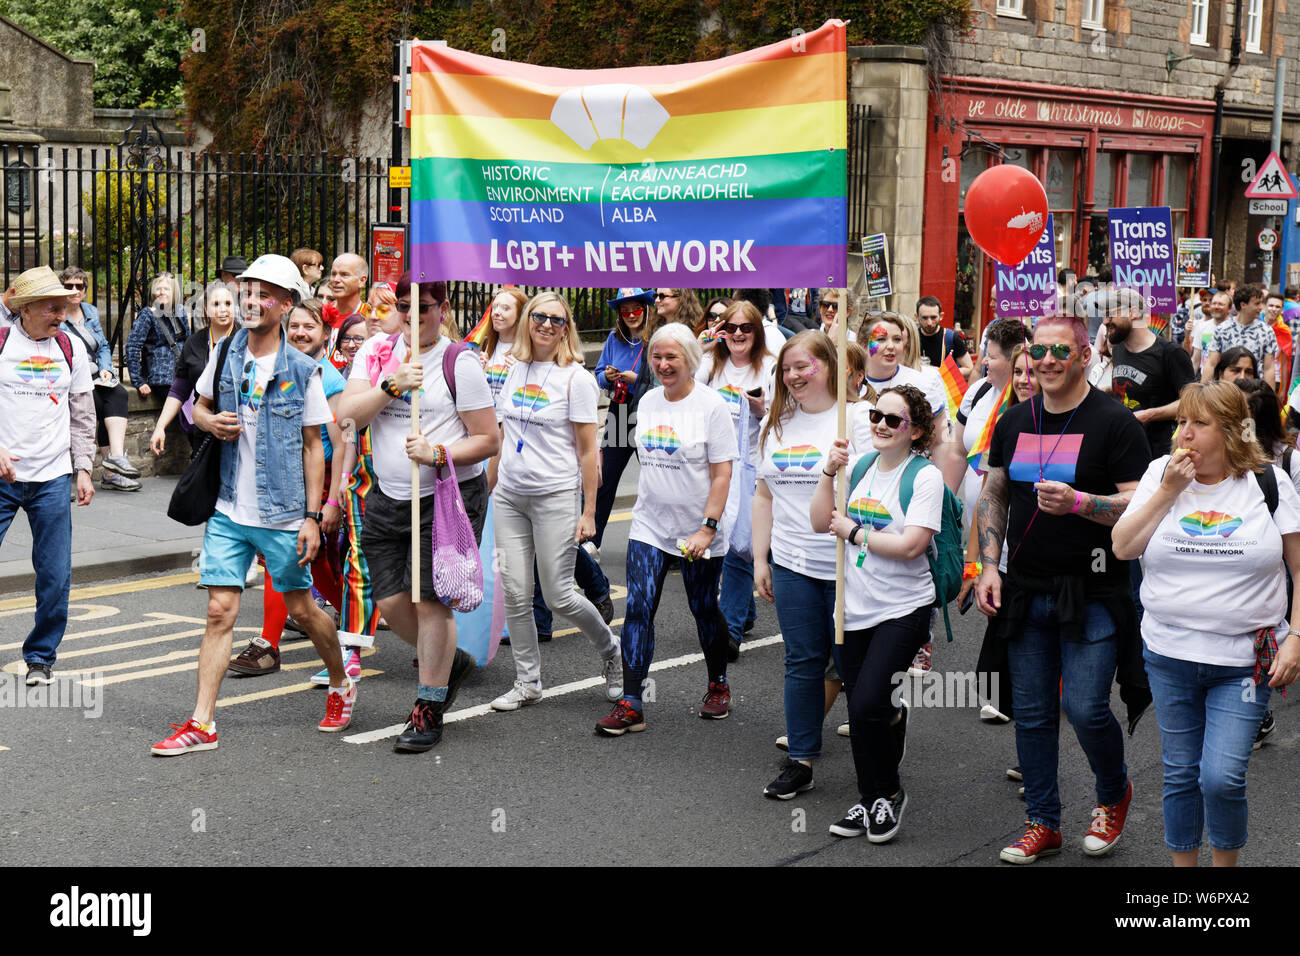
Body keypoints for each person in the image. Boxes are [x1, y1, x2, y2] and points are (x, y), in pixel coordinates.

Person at [151, 255, 353, 756]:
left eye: (265, 294)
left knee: (304, 611)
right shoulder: (223, 353)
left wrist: (311, 516)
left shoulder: (302, 369)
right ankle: (203, 723)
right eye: (248, 292)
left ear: (284, 304)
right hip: (228, 507)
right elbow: (197, 404)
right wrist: (207, 422)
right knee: (220, 610)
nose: (252, 301)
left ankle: (339, 680)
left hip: (283, 514)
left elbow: (312, 446)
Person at [975, 313, 1150, 864]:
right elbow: (994, 494)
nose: (1047, 361)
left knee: (1083, 705)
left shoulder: (1113, 421)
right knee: (1030, 712)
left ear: (1083, 355)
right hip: (1026, 587)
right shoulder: (1014, 419)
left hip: (1094, 590)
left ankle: (1112, 792)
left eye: (1060, 351)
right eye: (1039, 351)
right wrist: (988, 565)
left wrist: (1080, 502)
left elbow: (1140, 503)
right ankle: (1042, 822)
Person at [1112, 381, 1300, 866]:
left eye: (1199, 424)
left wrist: (1296, 637)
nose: (1184, 435)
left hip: (1243, 659)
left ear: (1234, 431)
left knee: (1220, 777)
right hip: (1169, 653)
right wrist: (1168, 492)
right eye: (1180, 423)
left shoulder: (1268, 482)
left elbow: (1299, 568)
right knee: (1180, 773)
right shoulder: (1161, 473)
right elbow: (1123, 547)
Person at [336, 274, 498, 752]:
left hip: (446, 496)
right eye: (405, 306)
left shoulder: (458, 363)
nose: (413, 315)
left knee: (431, 602)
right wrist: (391, 384)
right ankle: (454, 663)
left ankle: (428, 706)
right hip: (387, 495)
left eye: (423, 307)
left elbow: (488, 439)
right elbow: (347, 418)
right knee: (389, 604)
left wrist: (439, 452)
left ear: (442, 310)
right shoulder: (376, 353)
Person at [811, 385, 943, 842]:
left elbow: (912, 545)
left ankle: (887, 794)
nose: (880, 426)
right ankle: (869, 799)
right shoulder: (861, 466)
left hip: (902, 608)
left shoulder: (924, 477)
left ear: (918, 430)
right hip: (851, 609)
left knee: (866, 705)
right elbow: (818, 521)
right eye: (875, 416)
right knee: (864, 706)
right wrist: (828, 473)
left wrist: (855, 533)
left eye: (893, 420)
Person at [596, 322, 737, 735]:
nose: (662, 364)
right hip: (650, 526)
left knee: (703, 609)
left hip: (698, 530)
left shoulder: (711, 407)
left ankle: (718, 684)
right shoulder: (649, 401)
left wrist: (707, 528)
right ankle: (632, 700)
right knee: (638, 608)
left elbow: (723, 474)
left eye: (671, 357)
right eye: (656, 357)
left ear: (690, 359)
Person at [486, 291, 622, 715]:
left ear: (567, 329)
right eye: (540, 317)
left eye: (557, 320)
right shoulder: (514, 368)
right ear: (528, 321)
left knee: (561, 594)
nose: (546, 325)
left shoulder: (576, 378)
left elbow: (587, 451)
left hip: (555, 496)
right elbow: (503, 434)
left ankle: (612, 651)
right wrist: (488, 490)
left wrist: (588, 512)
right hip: (510, 495)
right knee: (515, 592)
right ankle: (528, 682)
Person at [755, 330, 859, 796]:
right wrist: (761, 557)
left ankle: (880, 752)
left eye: (804, 366)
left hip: (851, 565)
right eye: (786, 369)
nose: (793, 376)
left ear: (829, 366)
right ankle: (801, 759)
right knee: (802, 660)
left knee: (857, 664)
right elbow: (762, 495)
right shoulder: (775, 423)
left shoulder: (855, 419)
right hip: (793, 562)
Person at [229, 297, 354, 680]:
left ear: (326, 333)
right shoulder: (276, 367)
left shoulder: (328, 378)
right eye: (295, 325)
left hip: (316, 480)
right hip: (282, 479)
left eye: (309, 327)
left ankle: (270, 645)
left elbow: (339, 442)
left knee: (295, 561)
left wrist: (331, 501)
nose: (300, 333)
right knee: (303, 566)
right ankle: (357, 618)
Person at [0, 266, 95, 686]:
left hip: (52, 478)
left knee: (55, 575)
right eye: (52, 307)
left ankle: (40, 657)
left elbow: (82, 414)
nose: (61, 313)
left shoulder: (72, 348)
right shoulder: (2, 342)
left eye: (64, 306)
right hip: (3, 475)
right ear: (26, 307)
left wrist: (85, 467)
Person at [696, 299, 774, 660]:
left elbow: (787, 414)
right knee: (717, 544)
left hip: (751, 467)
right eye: (731, 327)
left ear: (757, 332)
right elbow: (687, 399)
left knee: (740, 547)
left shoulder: (770, 368)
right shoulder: (711, 364)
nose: (739, 334)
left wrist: (763, 410)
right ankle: (744, 611)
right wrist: (702, 349)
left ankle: (728, 631)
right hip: (712, 466)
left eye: (747, 328)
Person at [57, 267, 140, 492]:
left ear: (85, 290)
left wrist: (107, 370)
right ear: (61, 288)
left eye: (79, 286)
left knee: (119, 393)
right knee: (96, 400)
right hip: (74, 375)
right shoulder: (57, 314)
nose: (75, 290)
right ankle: (112, 471)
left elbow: (103, 345)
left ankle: (115, 461)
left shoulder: (90, 311)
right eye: (69, 286)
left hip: (96, 373)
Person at [592, 288, 656, 552]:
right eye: (625, 311)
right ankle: (591, 543)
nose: (631, 315)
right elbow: (597, 374)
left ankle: (664, 545)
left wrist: (635, 379)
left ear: (646, 309)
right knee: (604, 478)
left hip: (648, 414)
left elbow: (663, 379)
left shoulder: (657, 339)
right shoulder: (613, 339)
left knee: (657, 478)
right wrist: (608, 375)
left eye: (636, 309)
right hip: (619, 412)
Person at [1105, 287, 1196, 458]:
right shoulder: (1117, 350)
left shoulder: (1170, 353)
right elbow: (1131, 386)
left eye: (1110, 315)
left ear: (1132, 313)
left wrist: (1149, 415)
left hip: (1158, 452)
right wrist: (1103, 392)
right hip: (1123, 445)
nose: (1104, 321)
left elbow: (1192, 402)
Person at [149, 281, 237, 457]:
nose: (223, 309)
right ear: (206, 309)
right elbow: (180, 389)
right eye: (216, 304)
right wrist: (160, 426)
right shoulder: (194, 342)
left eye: (228, 303)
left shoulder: (245, 340)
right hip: (203, 427)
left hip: (236, 427)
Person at [126, 273, 189, 398]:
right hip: (160, 378)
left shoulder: (180, 311)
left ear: (174, 292)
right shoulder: (147, 314)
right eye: (158, 289)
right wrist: (138, 381)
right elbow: (132, 347)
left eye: (166, 289)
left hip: (182, 374)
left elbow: (188, 343)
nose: (161, 292)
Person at [1202, 284, 1275, 384]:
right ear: (1243, 305)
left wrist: (1270, 398)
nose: (1261, 307)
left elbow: (1269, 369)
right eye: (1257, 304)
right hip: (1227, 390)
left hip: (1253, 391)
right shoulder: (1222, 329)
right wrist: (1202, 394)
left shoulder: (1267, 332)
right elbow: (1211, 363)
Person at [916, 295, 973, 380]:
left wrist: (941, 372)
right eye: (924, 318)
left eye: (933, 317)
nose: (929, 323)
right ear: (917, 317)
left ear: (941, 316)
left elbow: (969, 368)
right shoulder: (911, 337)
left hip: (943, 390)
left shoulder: (952, 338)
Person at [1186, 290, 1232, 376]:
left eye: (1221, 304)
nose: (1216, 307)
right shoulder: (1201, 327)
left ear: (1229, 309)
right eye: (1214, 303)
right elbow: (1196, 360)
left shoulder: (1233, 328)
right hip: (1205, 380)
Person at [323, 253, 367, 329]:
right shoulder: (321, 313)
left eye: (344, 274)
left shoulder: (371, 317)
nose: (336, 280)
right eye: (333, 274)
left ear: (361, 281)